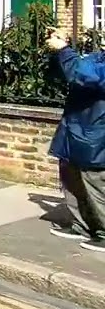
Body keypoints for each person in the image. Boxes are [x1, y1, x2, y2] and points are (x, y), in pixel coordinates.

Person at [45, 28, 105, 253]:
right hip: (75, 130)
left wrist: (65, 50)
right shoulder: (97, 57)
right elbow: (67, 71)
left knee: (95, 183)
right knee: (71, 181)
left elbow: (85, 75)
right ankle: (82, 225)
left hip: (96, 133)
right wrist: (62, 47)